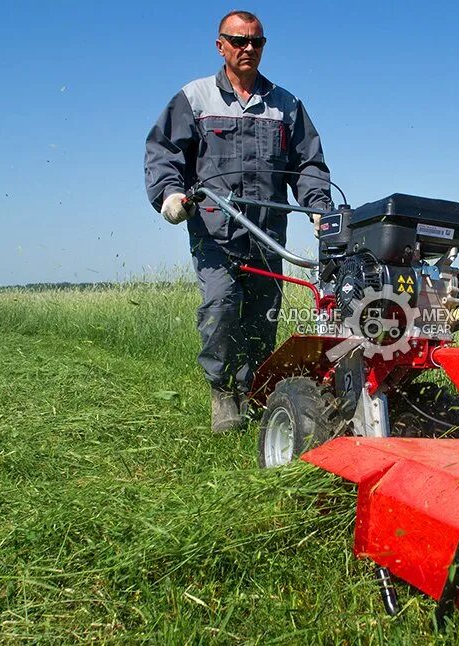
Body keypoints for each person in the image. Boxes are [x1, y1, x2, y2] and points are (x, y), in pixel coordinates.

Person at [144, 10, 332, 433]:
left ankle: (256, 392)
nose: (248, 48)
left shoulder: (286, 105)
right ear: (220, 45)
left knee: (263, 317)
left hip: (268, 233)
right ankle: (222, 390)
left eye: (257, 42)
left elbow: (308, 164)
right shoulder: (194, 98)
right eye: (239, 41)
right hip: (215, 231)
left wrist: (318, 206)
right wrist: (170, 195)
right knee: (220, 309)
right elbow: (164, 153)